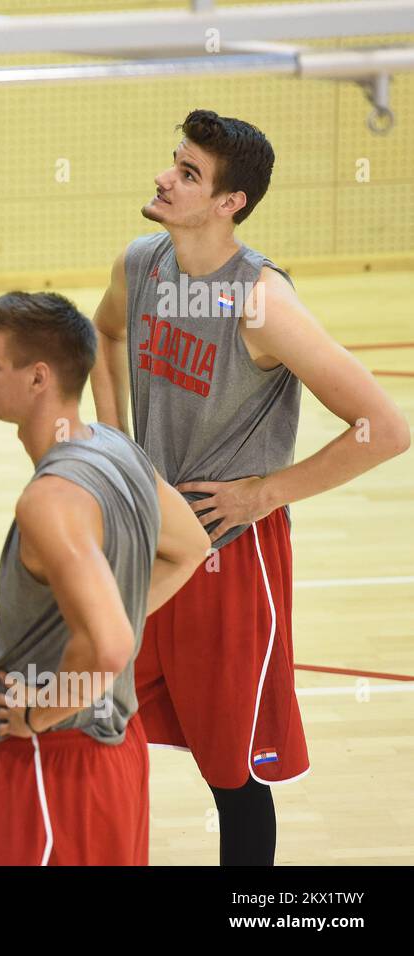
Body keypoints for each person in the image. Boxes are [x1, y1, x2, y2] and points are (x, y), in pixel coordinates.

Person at [89, 109, 411, 865]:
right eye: (174, 162)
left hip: (231, 556)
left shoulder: (263, 303)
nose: (165, 178)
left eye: (189, 174)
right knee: (91, 720)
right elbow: (101, 333)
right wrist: (114, 447)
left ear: (230, 203)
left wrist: (263, 493)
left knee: (231, 774)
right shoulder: (141, 264)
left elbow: (385, 428)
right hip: (148, 540)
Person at [0, 292, 208, 866]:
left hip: (56, 759)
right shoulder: (116, 448)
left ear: (38, 378)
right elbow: (191, 548)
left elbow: (108, 644)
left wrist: (37, 713)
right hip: (118, 748)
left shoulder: (50, 502)